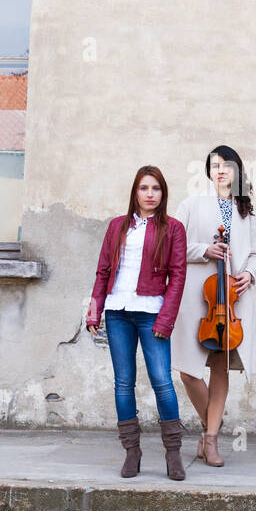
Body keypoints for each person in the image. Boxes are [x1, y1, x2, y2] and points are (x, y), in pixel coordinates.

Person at [86, 166, 187, 480]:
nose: (150, 194)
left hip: (152, 312)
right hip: (117, 312)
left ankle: (173, 453)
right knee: (123, 383)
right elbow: (103, 272)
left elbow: (178, 276)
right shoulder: (117, 226)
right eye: (144, 188)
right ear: (135, 192)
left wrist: (166, 319)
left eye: (156, 188)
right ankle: (132, 451)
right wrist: (94, 311)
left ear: (162, 193)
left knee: (162, 382)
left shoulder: (173, 228)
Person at [173, 146, 256, 467]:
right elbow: (174, 243)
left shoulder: (246, 210)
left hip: (232, 300)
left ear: (236, 171)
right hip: (198, 297)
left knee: (220, 366)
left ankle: (210, 440)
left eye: (227, 165)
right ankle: (213, 420)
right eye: (215, 165)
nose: (221, 170)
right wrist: (204, 250)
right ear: (208, 171)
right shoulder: (192, 204)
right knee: (187, 371)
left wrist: (249, 274)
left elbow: (255, 253)